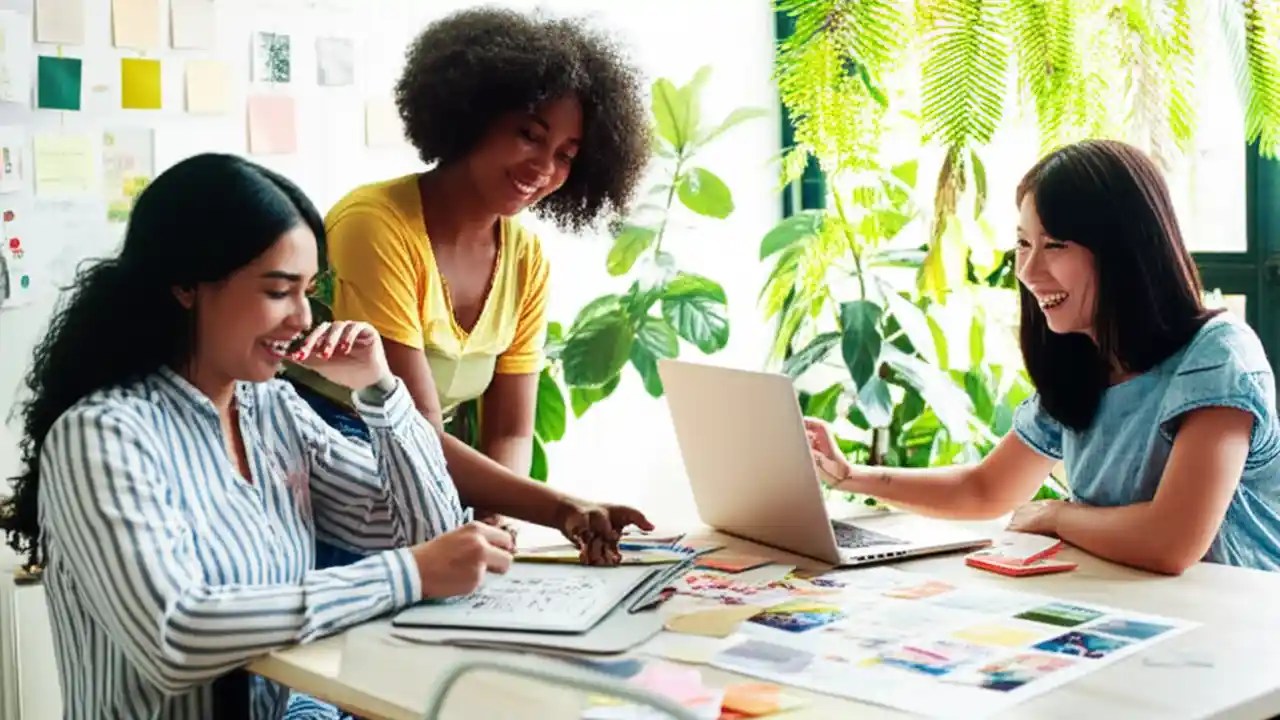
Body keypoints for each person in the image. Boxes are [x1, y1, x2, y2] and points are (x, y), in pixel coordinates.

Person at [0, 154, 519, 719]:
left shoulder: (271, 410)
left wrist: (379, 390)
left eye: (308, 291)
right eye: (278, 291)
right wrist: (409, 572)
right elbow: (177, 638)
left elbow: (431, 532)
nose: (303, 317)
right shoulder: (101, 436)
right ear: (186, 285)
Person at [807, 139, 1280, 576]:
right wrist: (851, 476)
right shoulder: (1083, 358)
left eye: (1055, 245)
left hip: (1233, 628)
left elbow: (1171, 542)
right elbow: (985, 488)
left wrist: (1059, 514)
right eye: (1023, 243)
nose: (1029, 271)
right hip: (1132, 611)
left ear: (1124, 251)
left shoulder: (1218, 355)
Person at [284, 7, 652, 565]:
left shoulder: (526, 258)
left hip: (423, 476)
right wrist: (562, 508)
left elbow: (510, 427)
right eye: (529, 135)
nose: (544, 169)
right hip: (325, 480)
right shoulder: (374, 224)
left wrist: (495, 521)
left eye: (565, 157)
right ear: (475, 115)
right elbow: (412, 427)